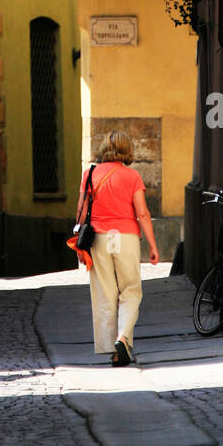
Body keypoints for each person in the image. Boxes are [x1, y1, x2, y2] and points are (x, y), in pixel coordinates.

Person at [76, 131, 160, 367]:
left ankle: (111, 348)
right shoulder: (132, 176)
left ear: (104, 148)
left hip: (98, 238)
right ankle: (122, 339)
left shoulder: (90, 174)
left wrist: (78, 246)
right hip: (126, 237)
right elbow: (142, 213)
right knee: (131, 290)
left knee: (104, 293)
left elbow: (81, 212)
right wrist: (153, 245)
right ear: (127, 150)